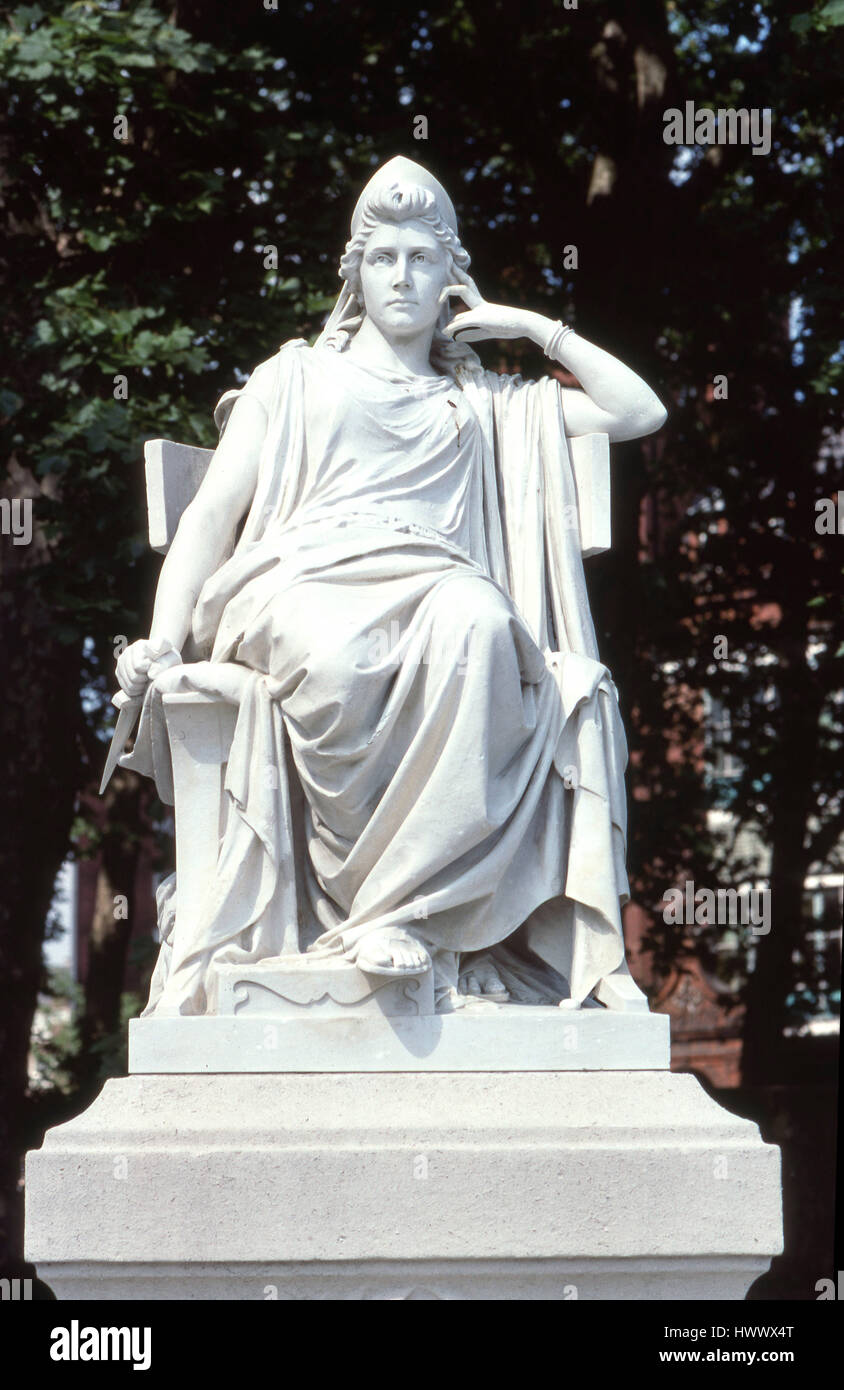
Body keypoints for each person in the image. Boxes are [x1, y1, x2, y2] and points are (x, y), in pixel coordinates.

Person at [117, 157, 667, 1017]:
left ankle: (406, 913)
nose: (403, 278)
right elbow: (213, 514)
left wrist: (528, 326)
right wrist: (159, 634)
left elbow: (640, 412)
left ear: (453, 276)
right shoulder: (293, 376)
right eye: (384, 259)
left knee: (486, 627)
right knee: (341, 653)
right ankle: (375, 914)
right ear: (356, 273)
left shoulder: (486, 399)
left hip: (438, 583)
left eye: (422, 259)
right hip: (298, 579)